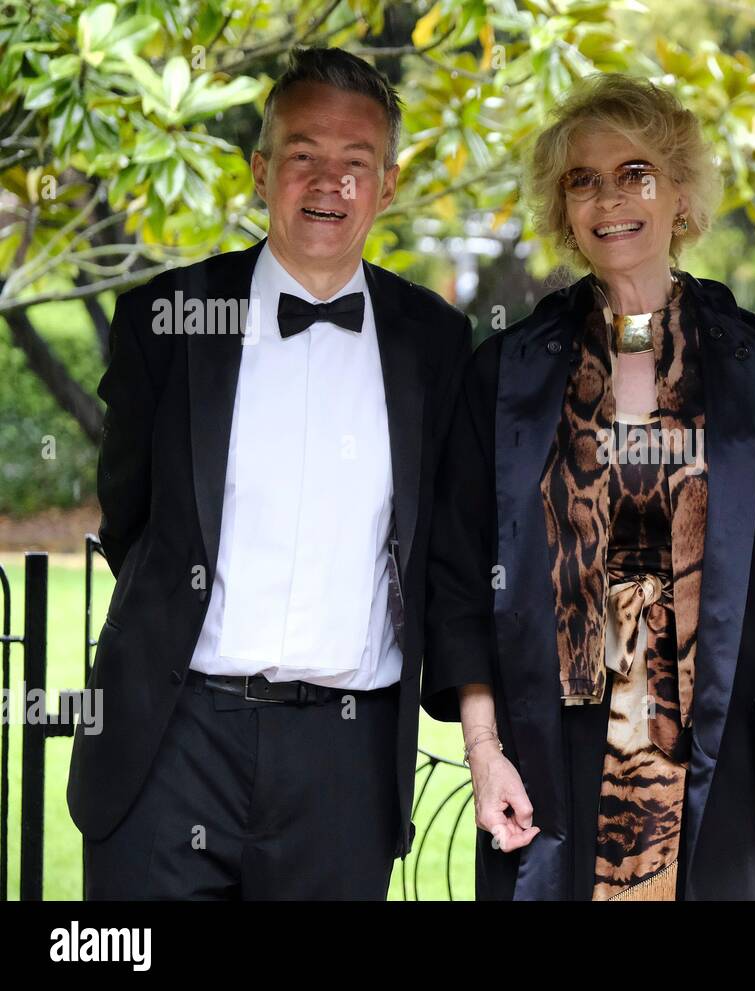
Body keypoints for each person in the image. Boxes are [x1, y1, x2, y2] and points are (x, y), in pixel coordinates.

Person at [68, 47, 470, 899]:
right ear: (261, 170)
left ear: (388, 185)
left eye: (355, 164)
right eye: (303, 156)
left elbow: (442, 540)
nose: (329, 183)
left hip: (346, 756)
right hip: (174, 741)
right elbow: (131, 514)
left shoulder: (436, 343)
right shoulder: (165, 320)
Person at [425, 73, 755, 900]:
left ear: (680, 192)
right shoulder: (507, 372)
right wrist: (485, 749)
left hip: (723, 757)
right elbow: (458, 575)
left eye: (636, 173)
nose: (609, 198)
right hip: (554, 757)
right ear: (563, 209)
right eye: (584, 179)